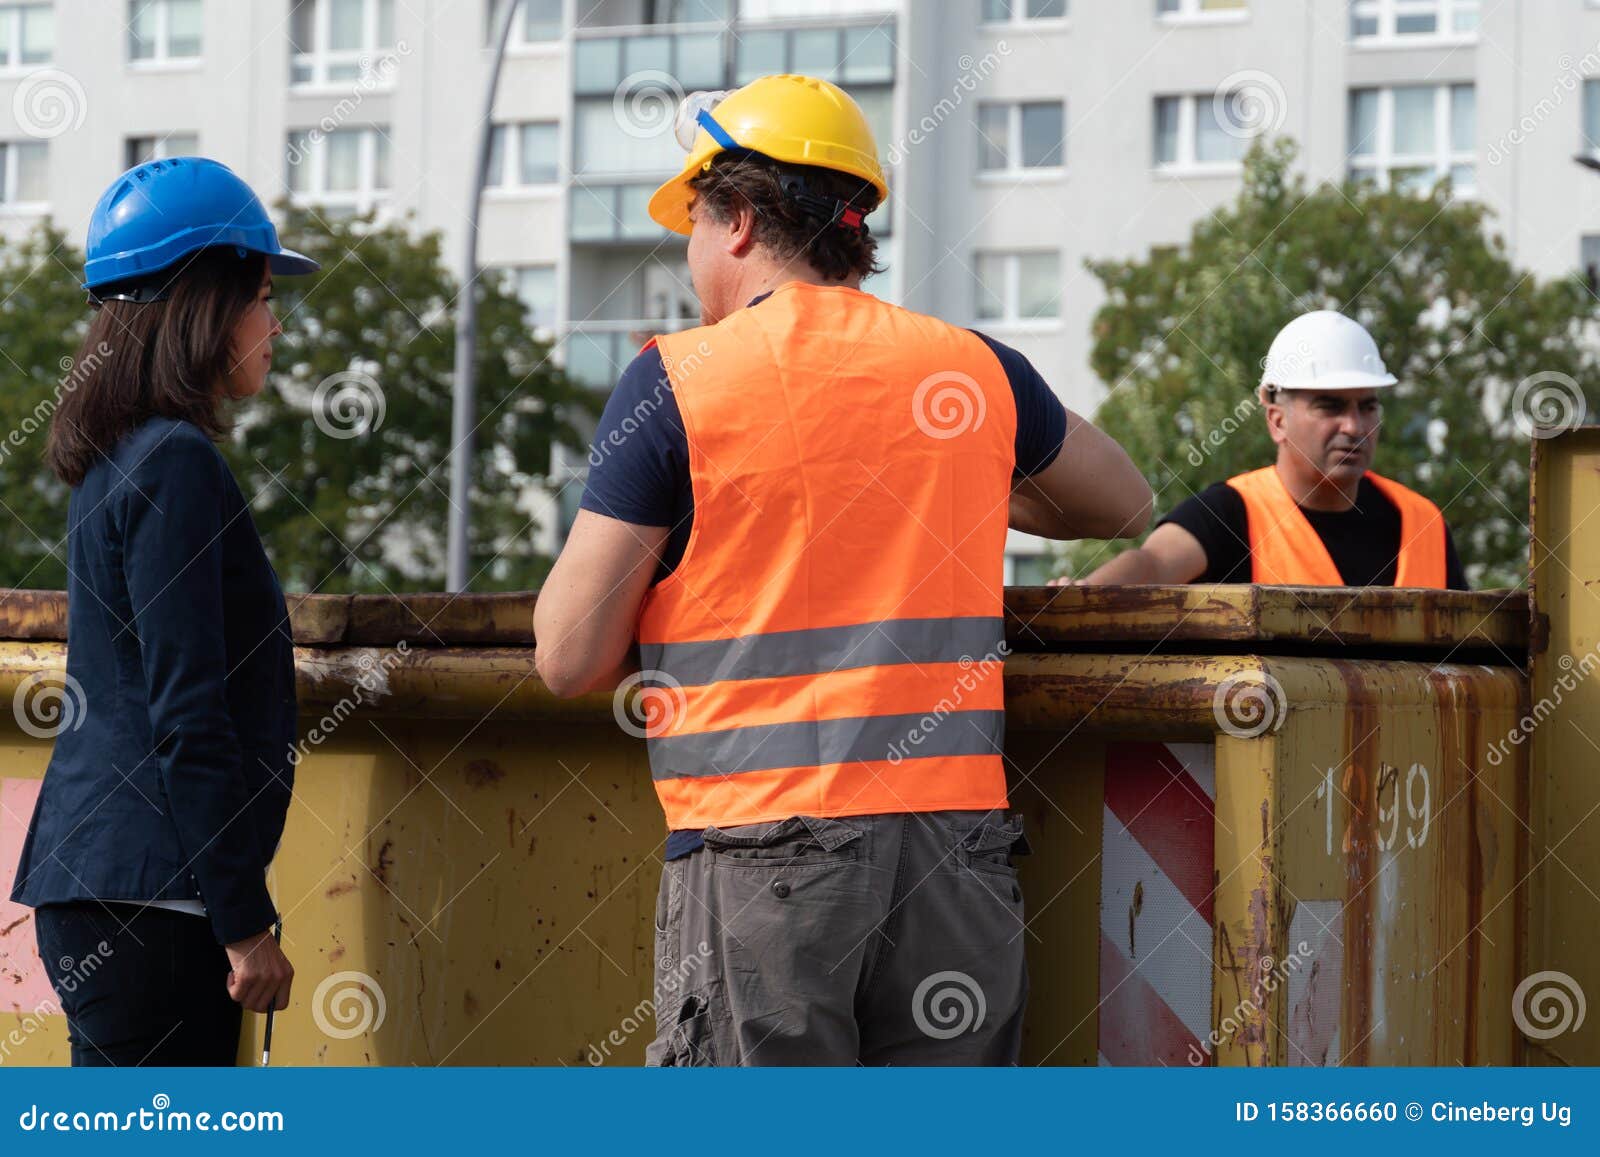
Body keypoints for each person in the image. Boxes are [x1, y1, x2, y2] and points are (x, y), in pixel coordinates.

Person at [534, 75, 1151, 1066]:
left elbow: (567, 654)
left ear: (737, 220)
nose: (690, 255)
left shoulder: (679, 380)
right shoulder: (967, 368)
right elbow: (1122, 500)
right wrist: (977, 470)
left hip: (761, 858)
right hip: (953, 853)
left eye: (691, 223)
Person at [10, 157, 319, 1065]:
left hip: (108, 890)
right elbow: (186, 713)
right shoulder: (176, 463)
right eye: (262, 297)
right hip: (154, 904)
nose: (272, 327)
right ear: (204, 308)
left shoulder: (117, 461)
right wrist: (244, 922)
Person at [1070, 310, 1467, 589]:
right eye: (1330, 406)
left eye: (1367, 406)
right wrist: (1081, 595)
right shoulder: (1231, 513)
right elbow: (1152, 564)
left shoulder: (1422, 523)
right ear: (1277, 420)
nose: (1354, 426)